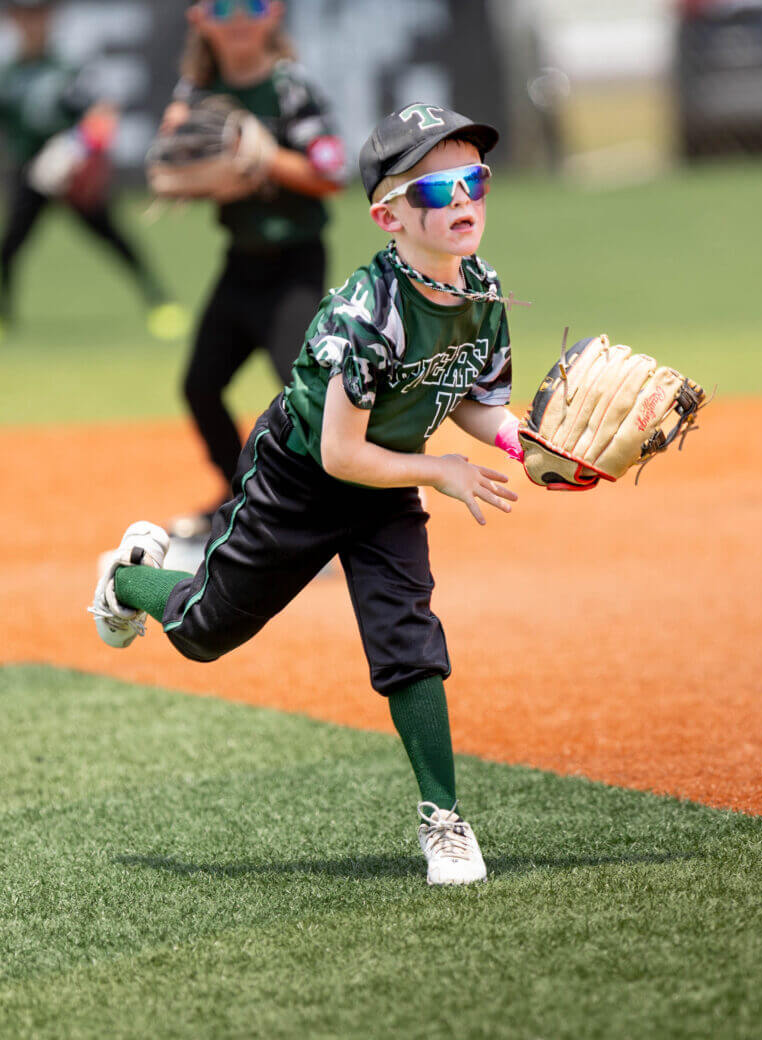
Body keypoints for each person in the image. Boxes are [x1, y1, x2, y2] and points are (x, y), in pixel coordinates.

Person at [90, 103, 528, 886]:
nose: (462, 200)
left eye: (474, 180)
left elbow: (466, 393)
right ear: (388, 216)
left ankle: (444, 821)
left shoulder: (483, 291)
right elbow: (340, 452)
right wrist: (443, 472)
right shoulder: (365, 315)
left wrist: (518, 439)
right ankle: (127, 576)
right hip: (301, 479)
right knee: (202, 629)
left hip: (385, 484)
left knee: (408, 639)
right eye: (435, 190)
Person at [161, 0, 346, 538]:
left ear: (275, 15)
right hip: (240, 264)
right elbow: (169, 170)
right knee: (201, 386)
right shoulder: (195, 92)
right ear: (199, 19)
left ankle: (324, 524)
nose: (238, 16)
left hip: (295, 264)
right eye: (222, 7)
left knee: (304, 394)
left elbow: (329, 174)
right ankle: (239, 499)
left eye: (254, 4)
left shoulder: (291, 88)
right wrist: (184, 159)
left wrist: (265, 157)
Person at [0, 0, 185, 341]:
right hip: (28, 174)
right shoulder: (10, 75)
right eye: (25, 16)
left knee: (114, 238)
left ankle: (159, 301)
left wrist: (74, 151)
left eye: (39, 15)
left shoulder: (65, 71)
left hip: (72, 177)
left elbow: (102, 115)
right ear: (14, 21)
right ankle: (5, 315)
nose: (32, 23)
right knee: (10, 246)